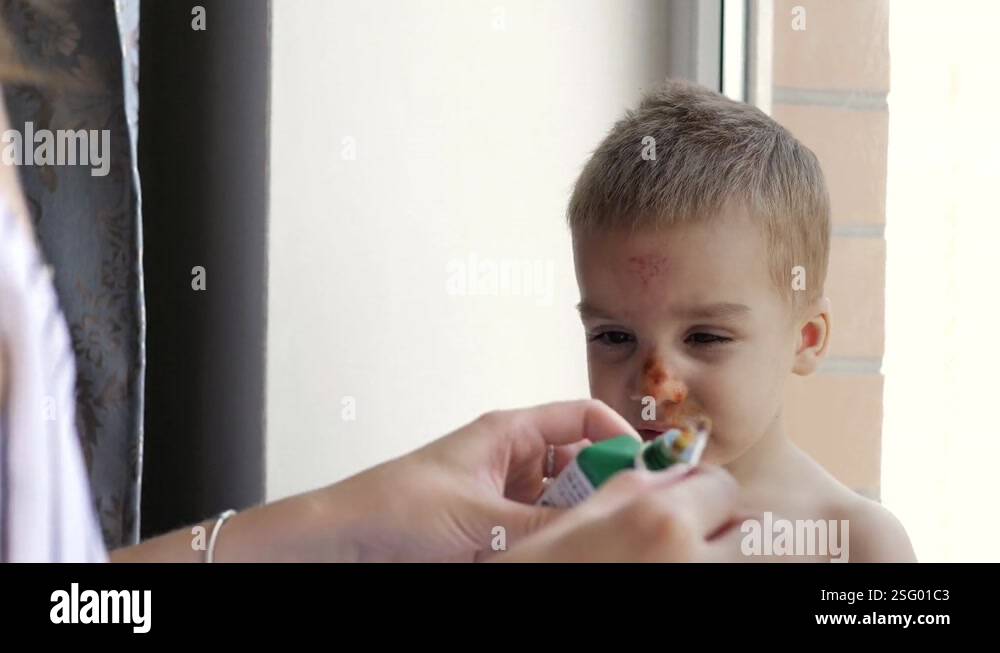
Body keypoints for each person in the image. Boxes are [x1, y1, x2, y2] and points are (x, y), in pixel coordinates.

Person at [564, 79, 915, 562]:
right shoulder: (576, 517)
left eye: (705, 337)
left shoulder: (856, 542)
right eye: (614, 336)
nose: (657, 388)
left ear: (806, 339)